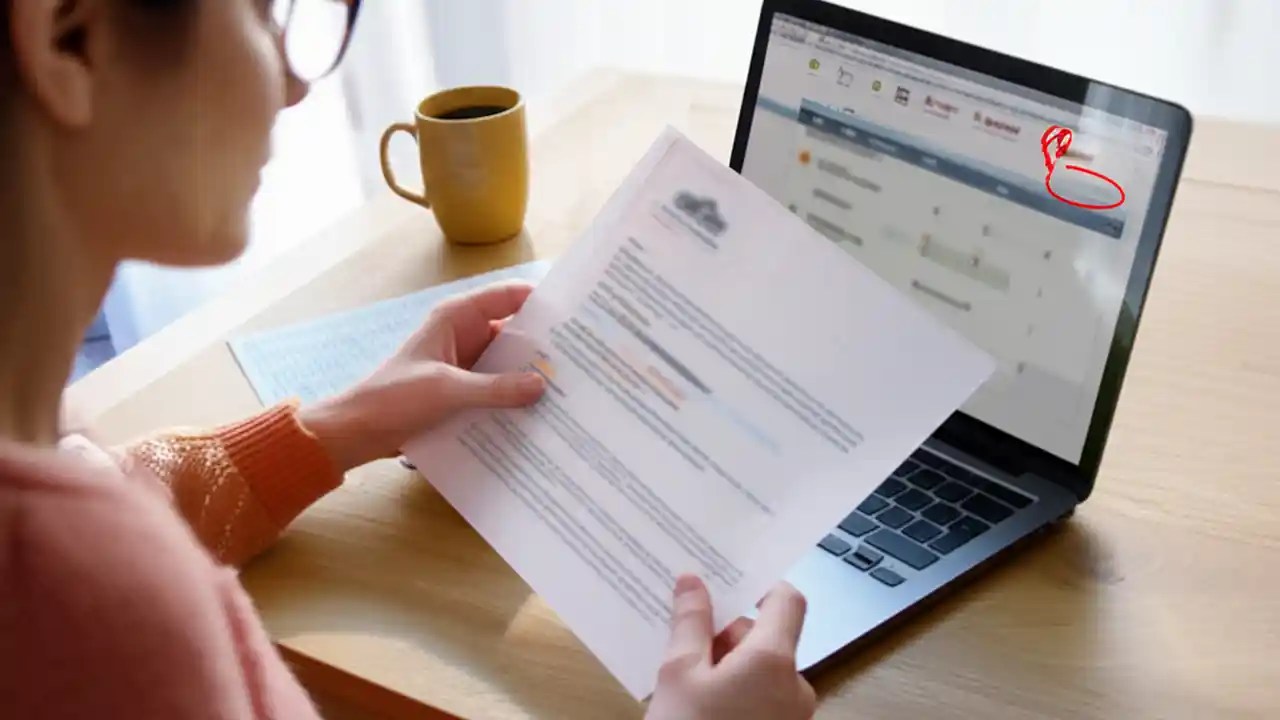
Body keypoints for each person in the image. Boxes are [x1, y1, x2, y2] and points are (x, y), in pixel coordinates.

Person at [0, 1, 817, 718]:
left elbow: (110, 488)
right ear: (68, 35)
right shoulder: (85, 606)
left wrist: (340, 426)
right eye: (260, 8)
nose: (293, 84)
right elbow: (89, 574)